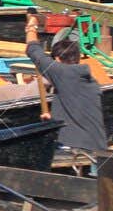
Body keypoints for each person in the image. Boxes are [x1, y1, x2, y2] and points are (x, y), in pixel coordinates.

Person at [24, 13, 108, 154]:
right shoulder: (90, 80)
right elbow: (77, 110)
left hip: (74, 149)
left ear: (57, 59)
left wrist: (31, 26)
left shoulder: (61, 72)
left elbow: (33, 50)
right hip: (98, 147)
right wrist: (53, 119)